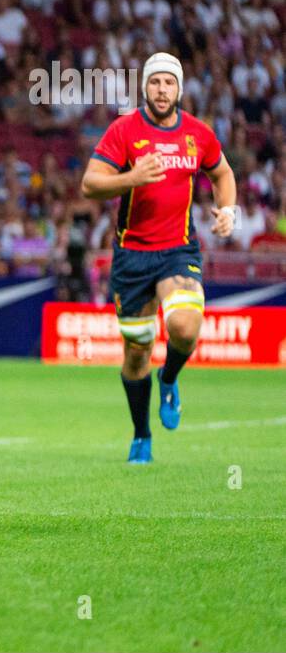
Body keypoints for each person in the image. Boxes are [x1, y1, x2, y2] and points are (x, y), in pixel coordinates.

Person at [81, 52, 237, 464]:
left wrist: (228, 210)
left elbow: (222, 173)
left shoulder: (198, 134)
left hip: (177, 250)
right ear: (145, 87)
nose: (162, 90)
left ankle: (169, 379)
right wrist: (130, 178)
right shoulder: (124, 130)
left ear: (179, 88)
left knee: (185, 327)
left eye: (169, 83)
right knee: (136, 352)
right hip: (132, 256)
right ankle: (141, 434)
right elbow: (89, 184)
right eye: (155, 83)